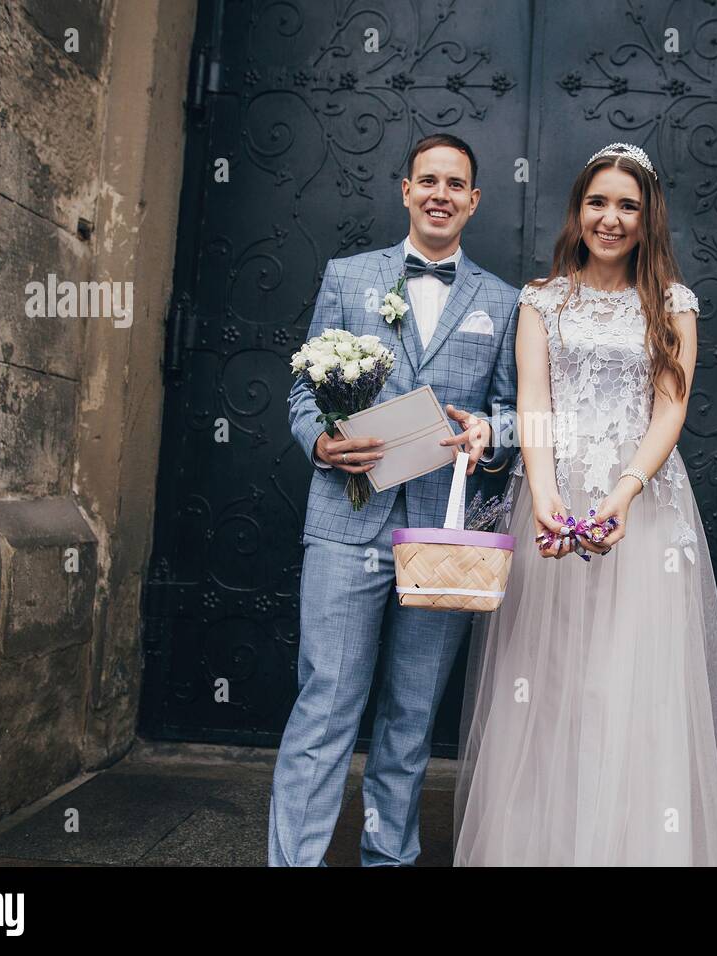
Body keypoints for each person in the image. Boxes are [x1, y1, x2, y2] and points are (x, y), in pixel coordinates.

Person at [452, 143, 717, 865]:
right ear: (577, 209)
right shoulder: (541, 300)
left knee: (632, 679)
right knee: (547, 683)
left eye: (627, 206)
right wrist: (546, 492)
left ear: (648, 220)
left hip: (641, 505)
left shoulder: (672, 303)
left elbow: (671, 409)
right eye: (597, 202)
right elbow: (533, 400)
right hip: (553, 502)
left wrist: (623, 493)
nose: (610, 219)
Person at [270, 134, 520, 866]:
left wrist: (489, 431)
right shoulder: (348, 277)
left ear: (474, 201)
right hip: (346, 521)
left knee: (410, 723)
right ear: (405, 190)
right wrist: (320, 441)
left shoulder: (503, 303)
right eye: (428, 181)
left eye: (456, 184)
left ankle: (388, 859)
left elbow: (510, 412)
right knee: (325, 709)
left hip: (442, 540)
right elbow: (301, 391)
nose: (440, 194)